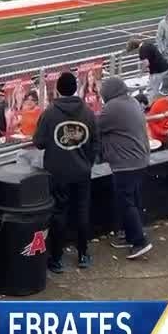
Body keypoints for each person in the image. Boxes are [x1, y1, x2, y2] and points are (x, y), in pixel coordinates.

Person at [34, 72, 101, 272]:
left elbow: (39, 142)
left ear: (58, 90)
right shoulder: (88, 113)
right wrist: (87, 163)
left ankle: (56, 259)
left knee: (58, 214)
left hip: (57, 174)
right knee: (82, 212)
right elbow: (95, 143)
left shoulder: (50, 112)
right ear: (75, 88)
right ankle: (83, 254)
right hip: (81, 173)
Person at [99, 76, 153, 259]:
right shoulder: (131, 102)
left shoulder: (112, 107)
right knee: (133, 199)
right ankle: (130, 234)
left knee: (126, 202)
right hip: (139, 159)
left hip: (126, 163)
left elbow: (95, 127)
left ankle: (139, 241)